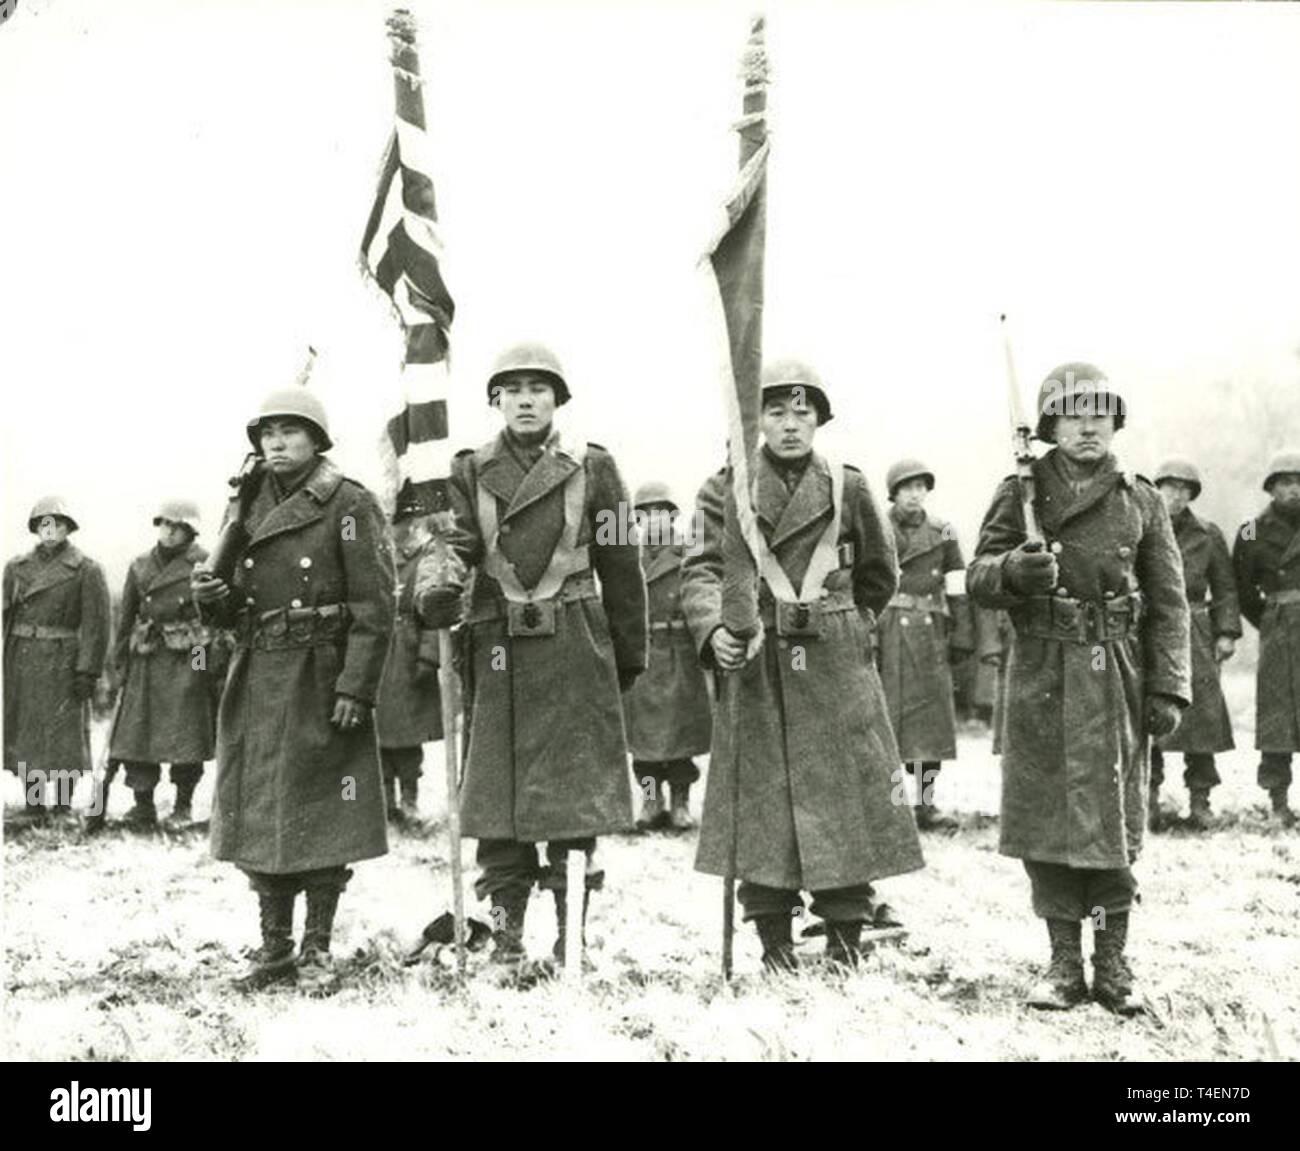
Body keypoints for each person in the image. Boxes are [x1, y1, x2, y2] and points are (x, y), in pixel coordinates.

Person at [680, 360, 924, 972]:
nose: (790, 426)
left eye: (802, 412)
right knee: (764, 808)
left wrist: (843, 623)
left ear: (819, 419)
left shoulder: (849, 486)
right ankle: (775, 950)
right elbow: (702, 571)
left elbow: (879, 575)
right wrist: (715, 629)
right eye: (777, 412)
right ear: (756, 421)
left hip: (835, 663)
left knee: (846, 804)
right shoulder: (724, 488)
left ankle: (846, 945)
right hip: (758, 659)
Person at [416, 341, 647, 978]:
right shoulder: (468, 469)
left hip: (576, 640)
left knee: (572, 805)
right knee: (499, 805)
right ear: (495, 400)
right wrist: (436, 580)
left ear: (557, 400)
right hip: (497, 649)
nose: (524, 399)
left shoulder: (595, 467)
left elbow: (622, 567)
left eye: (538, 389)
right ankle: (509, 940)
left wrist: (626, 655)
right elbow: (449, 542)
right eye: (512, 389)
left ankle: (572, 942)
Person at [968, 363, 1190, 1014]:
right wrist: (1015, 569)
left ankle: (1113, 965)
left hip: (1117, 670)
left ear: (1115, 422)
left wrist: (1169, 686)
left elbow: (1171, 602)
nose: (1088, 424)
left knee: (1114, 821)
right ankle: (1064, 965)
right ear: (1050, 426)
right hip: (1041, 670)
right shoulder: (1019, 493)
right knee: (1048, 822)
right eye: (1072, 412)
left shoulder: (1140, 498)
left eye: (1099, 412)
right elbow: (978, 577)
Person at [192, 386, 394, 994]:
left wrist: (356, 688)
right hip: (256, 673)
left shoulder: (349, 503)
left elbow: (375, 605)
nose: (277, 443)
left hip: (320, 675)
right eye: (267, 433)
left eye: (291, 432)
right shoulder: (246, 502)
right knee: (261, 813)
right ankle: (275, 949)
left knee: (323, 813)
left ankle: (316, 952)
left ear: (317, 440)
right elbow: (229, 608)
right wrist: (213, 603)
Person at [106, 500, 218, 831]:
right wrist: (121, 662)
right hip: (147, 656)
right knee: (138, 736)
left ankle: (183, 805)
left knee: (188, 734)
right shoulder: (140, 565)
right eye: (165, 524)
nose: (170, 532)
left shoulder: (206, 561)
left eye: (178, 526)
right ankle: (143, 806)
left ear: (190, 531)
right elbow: (126, 617)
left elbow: (215, 615)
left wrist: (204, 667)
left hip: (190, 655)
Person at [876, 458, 974, 830]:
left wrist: (962, 633)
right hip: (888, 632)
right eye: (907, 488)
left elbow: (957, 583)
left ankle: (926, 803)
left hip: (931, 632)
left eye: (921, 487)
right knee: (891, 720)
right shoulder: (878, 529)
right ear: (894, 493)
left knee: (928, 727)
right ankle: (894, 805)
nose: (915, 495)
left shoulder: (944, 531)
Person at [3, 497, 110, 825]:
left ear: (68, 529)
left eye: (58, 525)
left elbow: (97, 625)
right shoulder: (16, 567)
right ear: (36, 528)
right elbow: (5, 613)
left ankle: (63, 804)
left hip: (63, 661)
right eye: (45, 524)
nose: (51, 531)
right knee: (28, 730)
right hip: (22, 658)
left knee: (64, 735)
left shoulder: (86, 569)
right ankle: (34, 804)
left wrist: (88, 670)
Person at [1148, 459, 1239, 832]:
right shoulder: (1143, 527)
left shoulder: (1209, 533)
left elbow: (1227, 587)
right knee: (1150, 714)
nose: (1177, 495)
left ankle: (1201, 801)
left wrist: (1226, 632)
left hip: (1196, 629)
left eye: (1186, 489)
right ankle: (1148, 799)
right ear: (1157, 489)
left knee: (1201, 719)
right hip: (1151, 629)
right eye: (1170, 487)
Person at [623, 481, 712, 832]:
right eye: (647, 514)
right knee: (643, 745)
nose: (654, 520)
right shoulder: (628, 555)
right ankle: (649, 801)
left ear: (673, 517)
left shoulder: (690, 552)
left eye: (662, 513)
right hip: (642, 656)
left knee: (680, 740)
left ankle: (679, 803)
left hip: (680, 653)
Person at [1232, 449, 1300, 828]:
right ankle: (1278, 801)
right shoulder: (1251, 530)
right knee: (1277, 716)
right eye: (1285, 483)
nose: (1294, 490)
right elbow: (1242, 590)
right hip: (1278, 631)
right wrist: (1272, 620)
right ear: (1271, 488)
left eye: (1299, 482)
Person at [375, 502, 443, 829]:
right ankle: (385, 802)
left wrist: (429, 656)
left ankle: (410, 801)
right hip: (375, 652)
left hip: (407, 653)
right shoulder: (370, 555)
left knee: (406, 736)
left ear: (409, 523)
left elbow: (434, 613)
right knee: (376, 735)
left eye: (395, 522)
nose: (389, 529)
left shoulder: (424, 556)